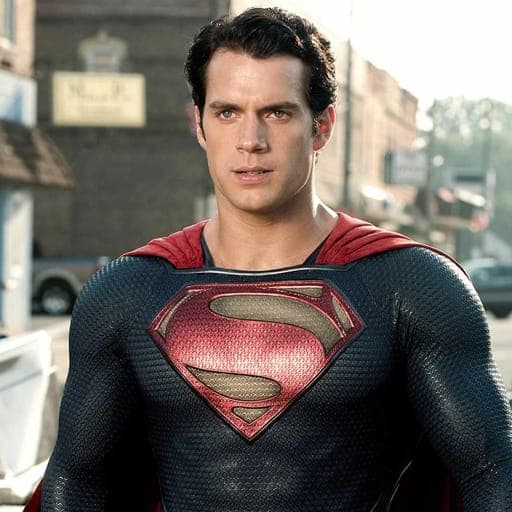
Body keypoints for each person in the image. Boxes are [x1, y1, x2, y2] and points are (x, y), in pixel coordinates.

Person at [28, 7, 512, 512]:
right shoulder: (126, 291)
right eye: (227, 113)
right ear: (199, 124)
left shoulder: (413, 285)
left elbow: (493, 474)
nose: (250, 142)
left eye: (277, 113)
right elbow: (76, 482)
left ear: (321, 127)